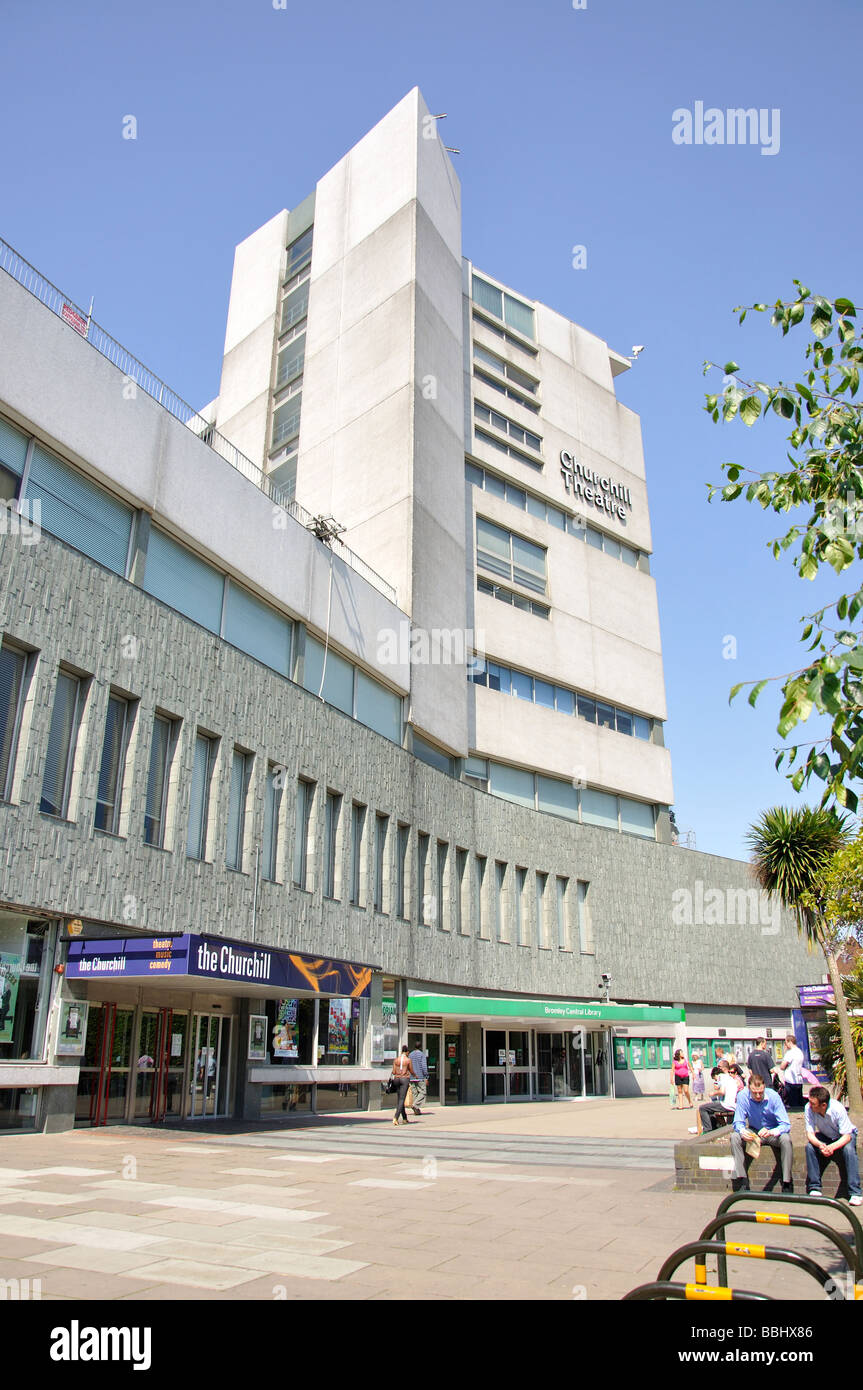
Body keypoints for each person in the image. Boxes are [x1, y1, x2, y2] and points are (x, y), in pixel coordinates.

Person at [730, 1073, 793, 1193]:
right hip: (754, 1131)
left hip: (772, 1132)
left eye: (761, 1092)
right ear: (749, 1088)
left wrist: (772, 1131)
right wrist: (743, 1131)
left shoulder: (773, 1096)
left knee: (786, 1139)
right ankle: (742, 1180)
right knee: (735, 1137)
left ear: (764, 1087)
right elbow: (738, 1121)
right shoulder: (743, 1096)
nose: (758, 1095)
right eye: (754, 1093)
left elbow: (785, 1124)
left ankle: (787, 1182)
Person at [804, 1085, 862, 1205]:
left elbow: (847, 1136)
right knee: (809, 1147)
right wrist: (821, 1145)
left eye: (813, 1103)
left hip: (844, 1136)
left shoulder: (837, 1109)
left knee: (849, 1150)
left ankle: (855, 1192)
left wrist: (831, 1147)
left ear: (823, 1105)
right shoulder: (808, 1108)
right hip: (825, 1136)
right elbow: (810, 1134)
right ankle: (814, 1187)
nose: (810, 1105)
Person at [695, 1065, 739, 1134]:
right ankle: (720, 1128)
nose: (716, 1081)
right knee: (711, 1108)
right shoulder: (729, 1078)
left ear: (715, 1075)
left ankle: (707, 1131)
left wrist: (713, 1093)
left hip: (726, 1105)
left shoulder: (721, 1077)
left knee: (702, 1108)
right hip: (733, 1105)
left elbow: (722, 1092)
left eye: (714, 1079)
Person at [390, 1045, 416, 1126]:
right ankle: (396, 1117)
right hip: (404, 1079)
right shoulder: (408, 1060)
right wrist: (415, 1075)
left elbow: (393, 1072)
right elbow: (411, 1070)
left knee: (400, 1099)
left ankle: (404, 1118)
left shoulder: (396, 1060)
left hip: (396, 1079)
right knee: (402, 1100)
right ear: (407, 1052)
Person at [779, 1033, 805, 1109]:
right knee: (799, 1101)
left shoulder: (790, 1053)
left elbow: (782, 1066)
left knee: (792, 1102)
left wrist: (785, 1066)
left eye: (786, 1043)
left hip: (790, 1081)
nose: (785, 1045)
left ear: (790, 1042)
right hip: (799, 1080)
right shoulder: (800, 1052)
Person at [409, 1041, 429, 1114]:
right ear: (420, 1047)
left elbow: (409, 1066)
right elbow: (424, 1067)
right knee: (423, 1092)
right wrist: (426, 1077)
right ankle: (415, 1105)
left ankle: (416, 1111)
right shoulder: (422, 1055)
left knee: (415, 1094)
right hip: (420, 1077)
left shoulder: (410, 1055)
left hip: (412, 1077)